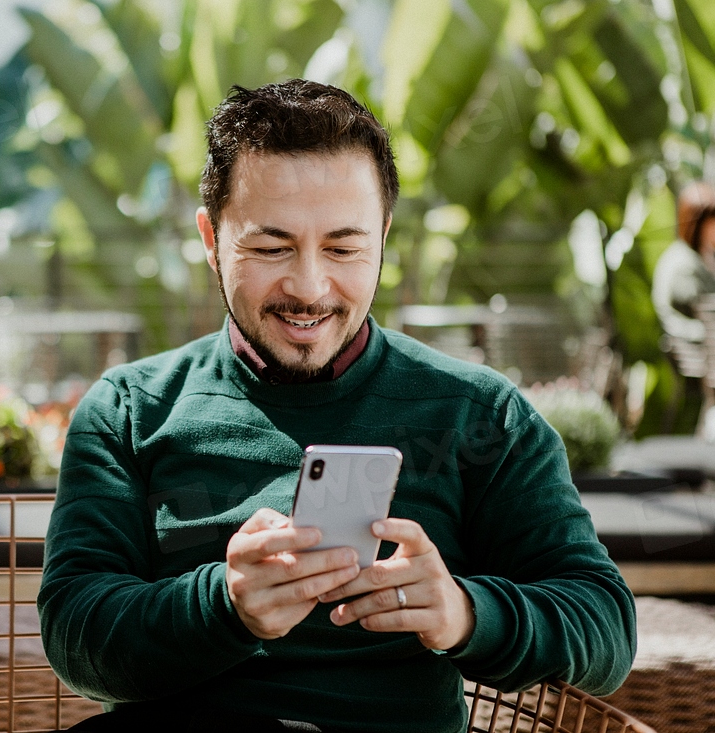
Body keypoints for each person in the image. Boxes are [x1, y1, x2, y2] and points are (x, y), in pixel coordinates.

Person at [38, 80, 636, 733]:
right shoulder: (129, 410)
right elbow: (76, 635)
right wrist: (224, 603)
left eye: (344, 248)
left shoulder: (479, 413)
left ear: (383, 235)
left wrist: (463, 611)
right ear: (212, 239)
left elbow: (603, 624)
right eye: (271, 248)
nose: (309, 287)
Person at [652, 181, 715, 346]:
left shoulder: (694, 255)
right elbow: (705, 312)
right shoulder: (684, 266)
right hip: (701, 352)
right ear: (695, 224)